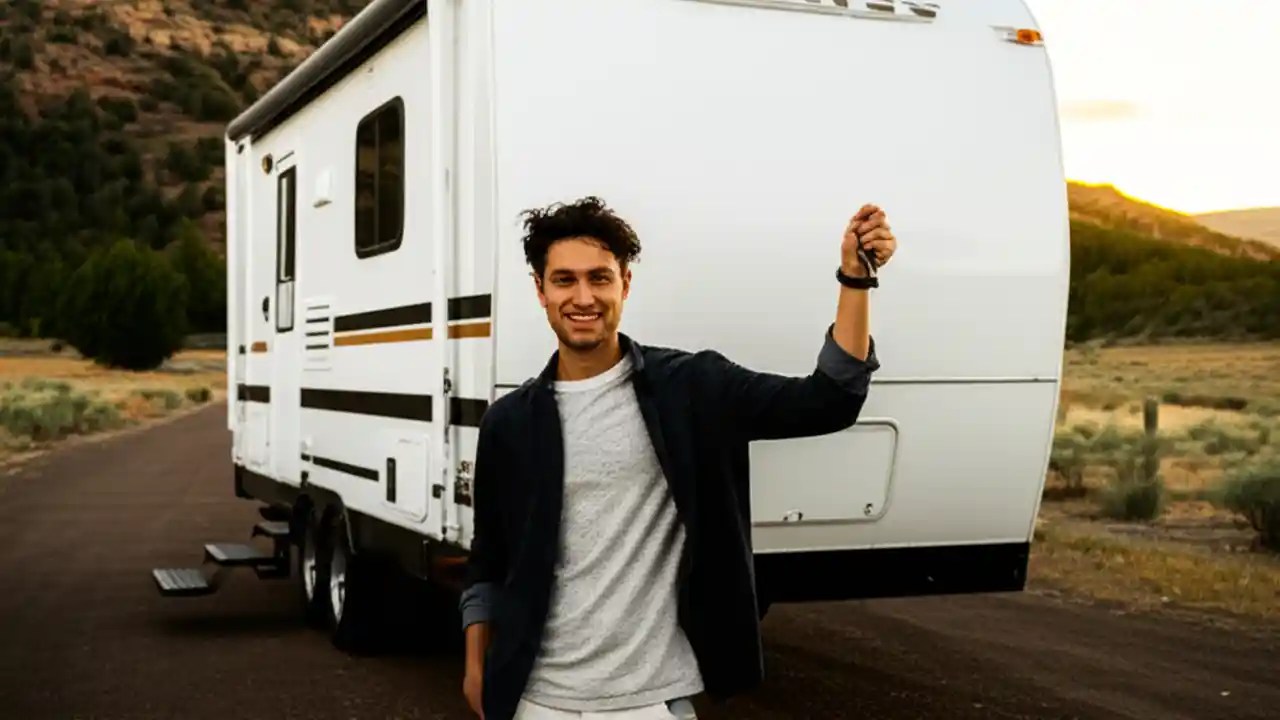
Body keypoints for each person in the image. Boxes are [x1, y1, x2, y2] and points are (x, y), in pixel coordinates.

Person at [458, 196, 895, 720]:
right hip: (536, 700)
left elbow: (830, 402)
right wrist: (475, 665)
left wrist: (855, 280)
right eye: (564, 280)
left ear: (625, 283)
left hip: (653, 702)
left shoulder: (691, 388)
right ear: (540, 290)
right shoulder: (508, 423)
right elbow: (488, 558)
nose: (583, 297)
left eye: (599, 278)